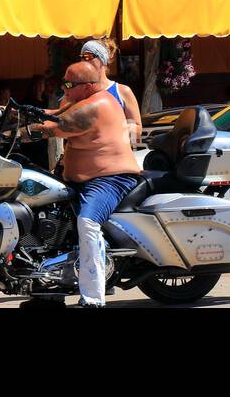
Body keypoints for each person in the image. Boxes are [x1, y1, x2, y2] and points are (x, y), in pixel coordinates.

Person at [17, 60, 142, 307]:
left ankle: (93, 298)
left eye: (68, 84)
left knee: (87, 222)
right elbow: (51, 114)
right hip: (82, 179)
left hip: (109, 179)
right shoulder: (77, 101)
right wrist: (10, 113)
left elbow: (54, 127)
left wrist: (9, 135)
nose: (63, 89)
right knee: (50, 220)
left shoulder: (99, 103)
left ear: (87, 86)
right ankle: (49, 292)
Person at [75, 38, 143, 146]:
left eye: (88, 56)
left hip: (116, 158)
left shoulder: (122, 91)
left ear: (102, 59)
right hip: (86, 159)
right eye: (81, 57)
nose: (84, 61)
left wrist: (110, 127)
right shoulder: (79, 92)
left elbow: (137, 132)